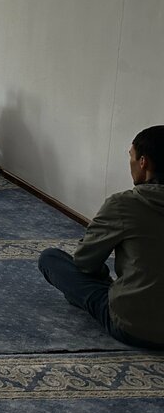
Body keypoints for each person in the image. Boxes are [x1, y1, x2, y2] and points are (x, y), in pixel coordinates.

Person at [38, 126, 164, 349]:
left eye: (131, 157)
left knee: (51, 259)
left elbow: (86, 262)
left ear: (144, 162)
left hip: (135, 327)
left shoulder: (125, 205)